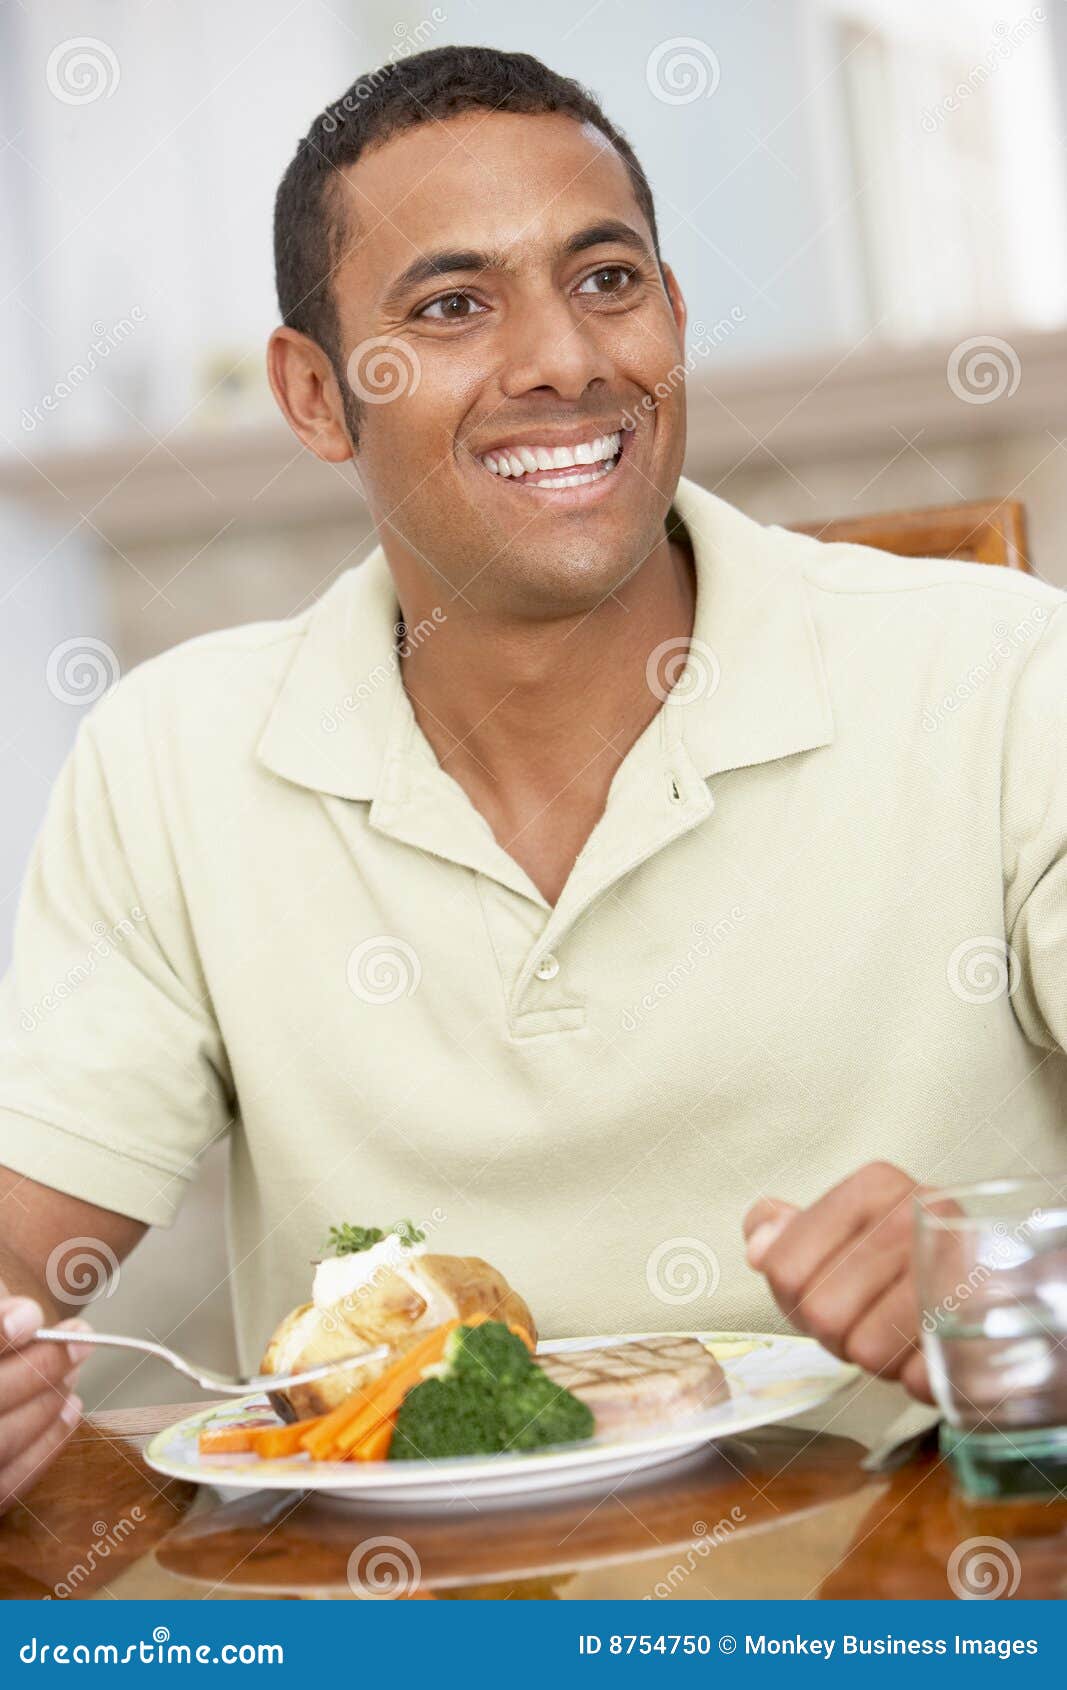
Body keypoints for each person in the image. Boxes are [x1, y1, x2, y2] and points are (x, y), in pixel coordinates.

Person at [1, 45, 1064, 1511]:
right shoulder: (173, 752)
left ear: (675, 319)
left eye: (608, 279)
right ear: (318, 396)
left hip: (919, 1579)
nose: (563, 357)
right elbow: (20, 1250)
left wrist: (1016, 1270)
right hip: (397, 1616)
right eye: (451, 306)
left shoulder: (1010, 676)